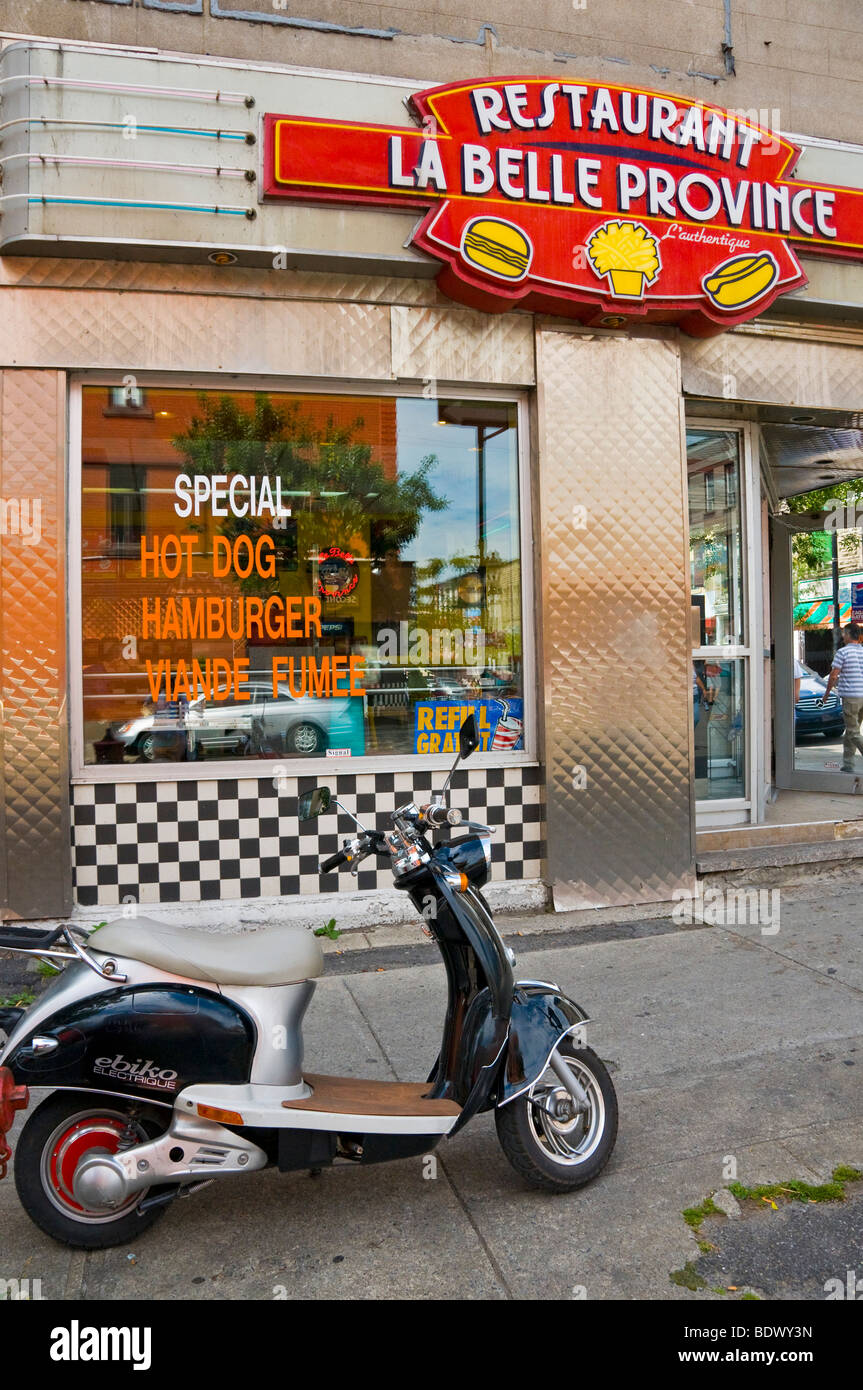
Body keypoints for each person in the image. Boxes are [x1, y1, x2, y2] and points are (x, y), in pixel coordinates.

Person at [819, 622, 863, 772]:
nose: (842, 636)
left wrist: (826, 695)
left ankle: (848, 764)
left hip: (851, 697)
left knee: (853, 732)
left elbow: (833, 676)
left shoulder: (843, 652)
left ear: (849, 635)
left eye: (844, 633)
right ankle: (848, 764)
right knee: (851, 731)